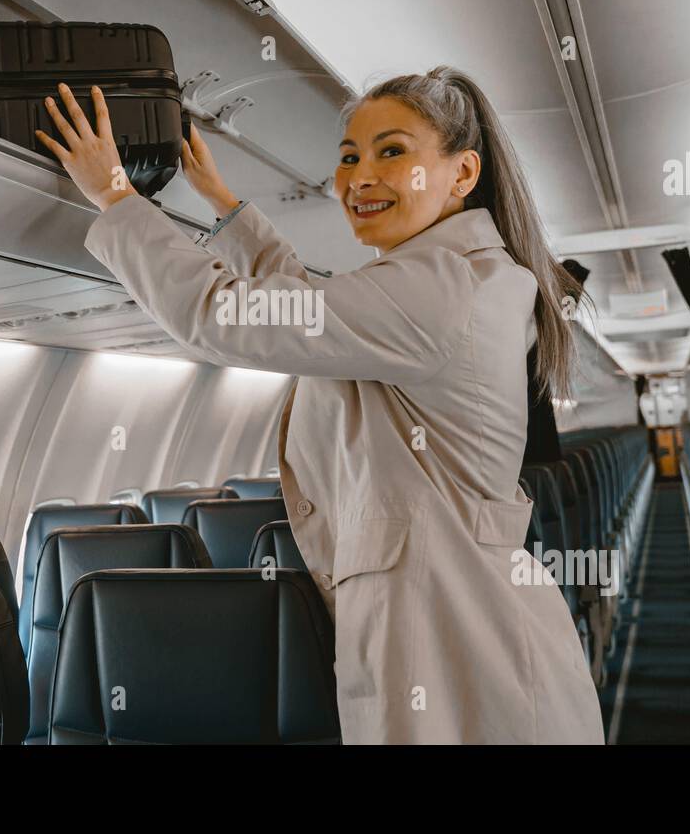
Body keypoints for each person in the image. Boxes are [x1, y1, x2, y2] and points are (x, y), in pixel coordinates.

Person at [37, 65, 605, 744]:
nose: (359, 176)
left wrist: (117, 198)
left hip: (458, 651)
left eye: (392, 152)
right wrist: (224, 205)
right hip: (453, 626)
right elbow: (313, 308)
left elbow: (228, 317)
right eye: (348, 157)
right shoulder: (447, 280)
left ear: (461, 174)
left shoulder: (441, 289)